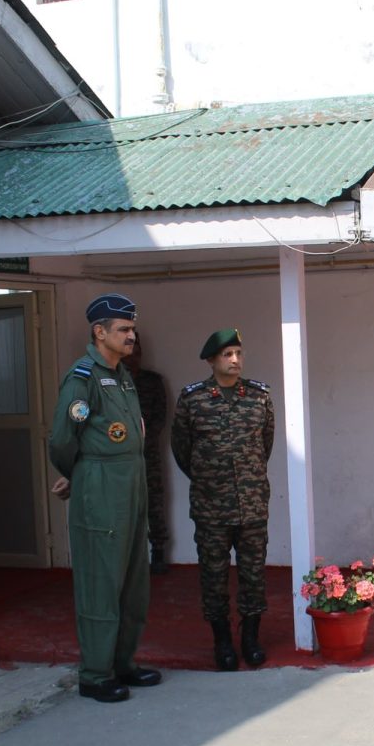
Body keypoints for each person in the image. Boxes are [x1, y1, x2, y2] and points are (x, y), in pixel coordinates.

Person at [48, 293, 160, 703]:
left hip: (130, 483)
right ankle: (95, 674)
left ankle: (123, 663)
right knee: (101, 583)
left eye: (132, 328)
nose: (132, 335)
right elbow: (62, 439)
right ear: (99, 332)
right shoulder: (83, 378)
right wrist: (77, 473)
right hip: (100, 486)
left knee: (133, 582)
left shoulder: (123, 375)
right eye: (124, 330)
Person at [171, 328, 275, 671]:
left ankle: (250, 639)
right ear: (212, 360)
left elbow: (265, 446)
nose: (235, 360)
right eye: (227, 355)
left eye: (238, 354)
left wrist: (246, 478)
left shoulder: (259, 397)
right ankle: (222, 642)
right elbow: (181, 449)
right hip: (211, 507)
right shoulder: (193, 399)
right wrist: (208, 479)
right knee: (213, 576)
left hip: (252, 505)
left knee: (253, 575)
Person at [126, 337, 171, 575]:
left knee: (154, 501)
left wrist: (144, 439)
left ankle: (158, 550)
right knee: (124, 503)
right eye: (130, 352)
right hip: (120, 456)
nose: (134, 356)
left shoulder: (153, 382)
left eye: (138, 352)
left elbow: (160, 418)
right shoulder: (111, 382)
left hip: (148, 452)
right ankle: (129, 554)